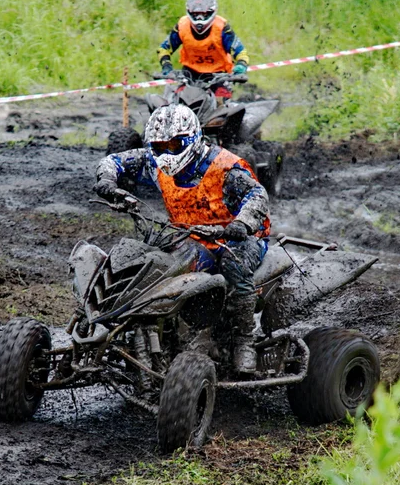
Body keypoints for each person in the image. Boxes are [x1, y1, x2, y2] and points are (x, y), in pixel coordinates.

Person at [94, 104, 270, 374]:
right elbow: (113, 161)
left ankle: (244, 340)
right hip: (189, 235)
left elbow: (257, 196)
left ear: (192, 139)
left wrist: (242, 223)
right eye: (160, 145)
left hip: (238, 236)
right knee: (153, 264)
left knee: (234, 267)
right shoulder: (154, 163)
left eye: (175, 144)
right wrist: (107, 181)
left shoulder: (225, 168)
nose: (167, 152)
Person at [157, 0, 249, 100]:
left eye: (204, 14)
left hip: (218, 75)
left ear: (212, 12)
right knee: (174, 101)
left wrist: (241, 65)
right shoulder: (182, 26)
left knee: (221, 105)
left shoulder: (221, 28)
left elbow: (240, 51)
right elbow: (164, 48)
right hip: (189, 74)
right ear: (189, 12)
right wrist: (166, 66)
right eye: (196, 15)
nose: (199, 18)